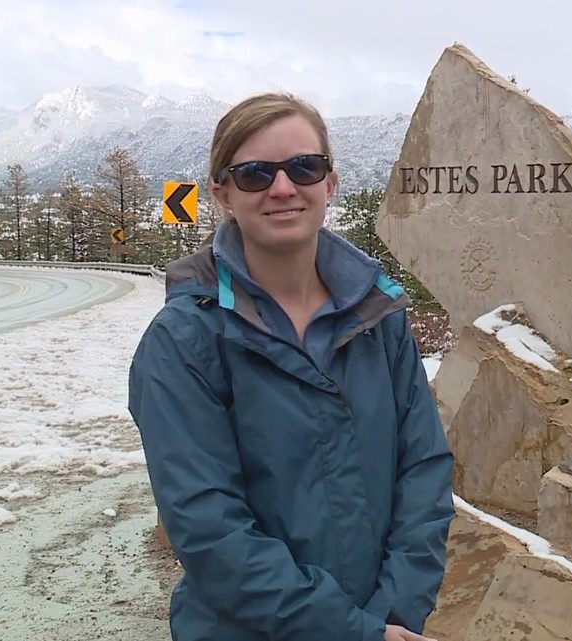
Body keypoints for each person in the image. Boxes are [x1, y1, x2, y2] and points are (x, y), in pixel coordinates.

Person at [127, 92, 454, 641]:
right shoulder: (184, 340)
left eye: (305, 166)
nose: (283, 188)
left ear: (330, 182)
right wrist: (348, 631)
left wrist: (393, 614)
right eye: (255, 174)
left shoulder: (379, 317)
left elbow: (423, 469)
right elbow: (208, 527)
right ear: (223, 193)